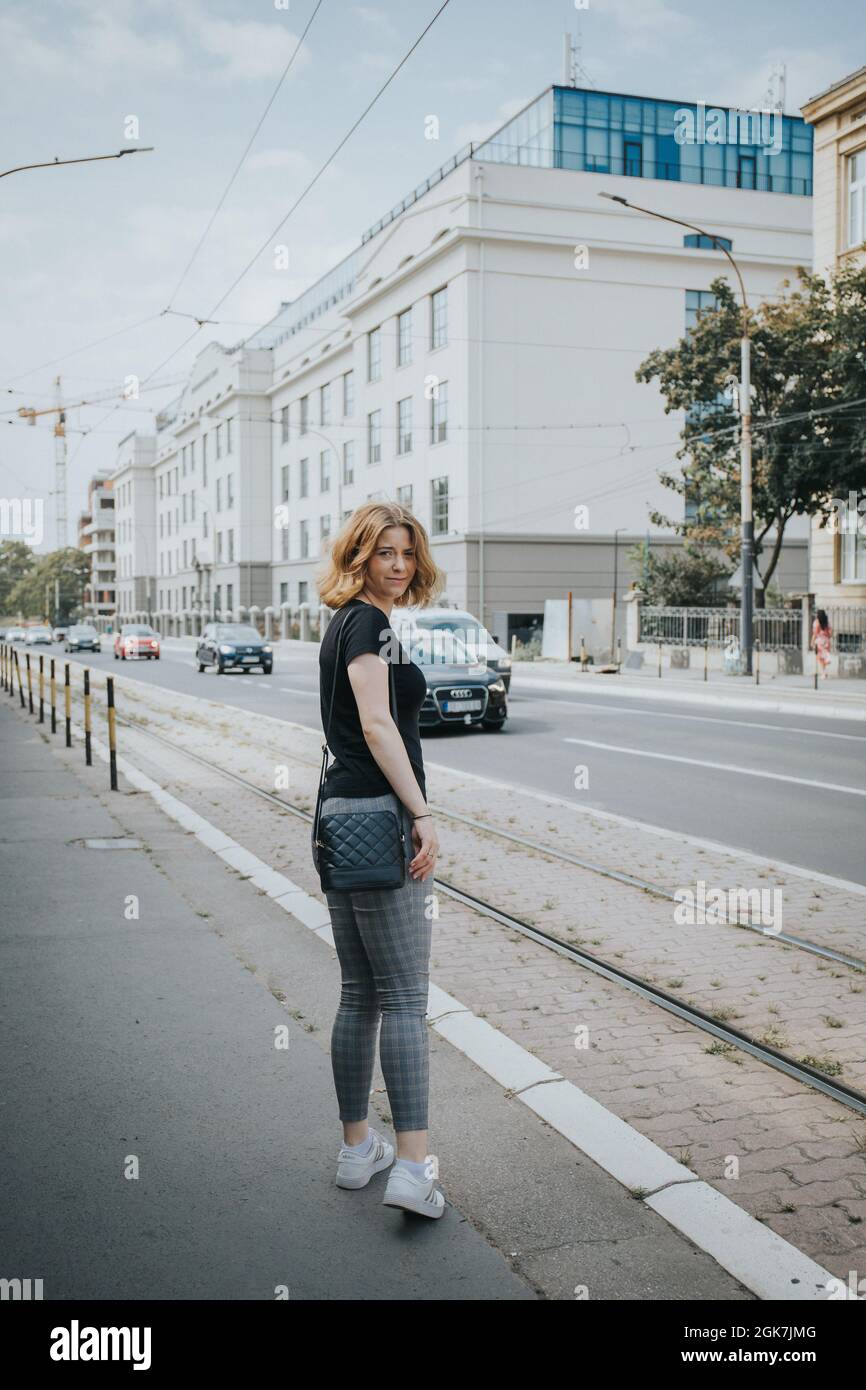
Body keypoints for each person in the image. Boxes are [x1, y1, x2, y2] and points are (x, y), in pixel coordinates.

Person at [315, 502, 446, 1218]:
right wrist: (421, 813)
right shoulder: (367, 623)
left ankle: (358, 1150)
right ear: (358, 556)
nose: (397, 565)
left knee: (360, 993)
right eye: (383, 552)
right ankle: (414, 1169)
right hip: (378, 818)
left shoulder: (347, 624)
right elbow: (374, 722)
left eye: (405, 552)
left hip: (339, 818)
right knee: (403, 997)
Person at [810, 608, 832, 679]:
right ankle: (824, 672)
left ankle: (823, 673)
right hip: (826, 641)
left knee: (820, 658)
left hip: (819, 642)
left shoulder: (816, 622)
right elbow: (830, 633)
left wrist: (812, 642)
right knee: (824, 657)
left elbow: (815, 633)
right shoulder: (827, 622)